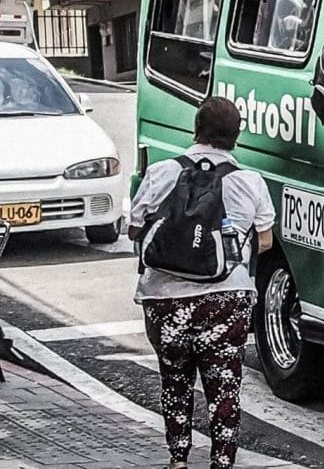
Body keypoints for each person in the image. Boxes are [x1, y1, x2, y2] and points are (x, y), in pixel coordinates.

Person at [129, 97, 275, 469]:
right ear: (236, 136)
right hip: (225, 300)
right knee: (224, 385)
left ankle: (178, 459)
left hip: (164, 299)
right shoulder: (249, 182)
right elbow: (265, 243)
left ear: (196, 128)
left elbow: (134, 229)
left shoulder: (160, 173)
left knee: (174, 379)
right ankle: (222, 463)